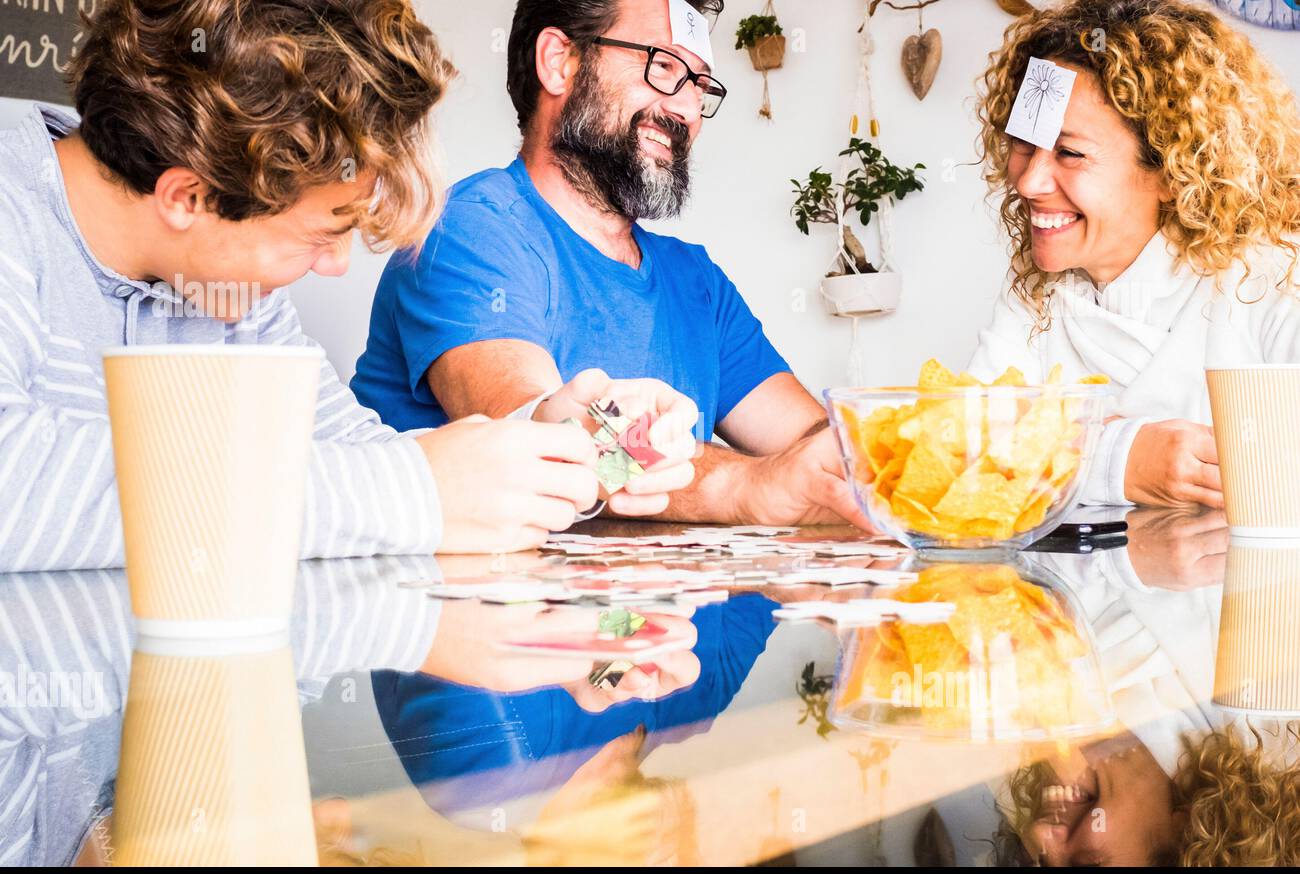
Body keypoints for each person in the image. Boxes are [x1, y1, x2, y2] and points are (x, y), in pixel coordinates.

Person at [0, 0, 697, 573]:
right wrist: (411, 495)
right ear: (188, 196)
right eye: (320, 234)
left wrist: (546, 441)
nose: (334, 266)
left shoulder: (228, 289)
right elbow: (15, 489)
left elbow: (352, 454)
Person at [352, 0, 871, 530]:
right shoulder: (465, 230)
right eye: (664, 66)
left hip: (647, 615)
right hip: (489, 609)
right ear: (559, 61)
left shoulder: (697, 283)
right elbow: (544, 437)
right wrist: (744, 484)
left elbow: (815, 450)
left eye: (700, 85)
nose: (688, 110)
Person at [968, 0, 1300, 509]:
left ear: (1174, 170)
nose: (1029, 182)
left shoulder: (1275, 282)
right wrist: (1115, 459)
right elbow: (966, 450)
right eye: (1022, 145)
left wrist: (1060, 444)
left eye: (1069, 152)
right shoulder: (1037, 295)